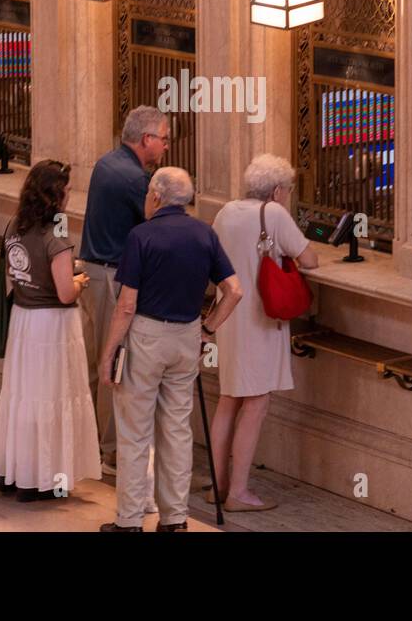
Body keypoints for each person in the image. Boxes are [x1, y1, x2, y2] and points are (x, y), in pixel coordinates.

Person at [98, 167, 243, 533]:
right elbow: (235, 290)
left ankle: (129, 520)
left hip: (147, 335)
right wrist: (208, 328)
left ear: (157, 196)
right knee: (177, 430)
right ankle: (174, 519)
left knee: (134, 431)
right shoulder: (204, 233)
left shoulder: (141, 236)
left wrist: (108, 352)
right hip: (187, 336)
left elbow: (126, 305)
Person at [208, 155, 319, 512]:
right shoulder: (272, 213)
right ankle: (239, 493)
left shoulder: (225, 211)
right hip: (259, 318)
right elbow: (310, 259)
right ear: (276, 190)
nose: (287, 196)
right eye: (287, 190)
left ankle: (218, 485)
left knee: (229, 399)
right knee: (256, 402)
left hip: (227, 315)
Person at [0, 160, 101, 503]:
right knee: (54, 398)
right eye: (66, 190)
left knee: (22, 397)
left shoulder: (14, 225)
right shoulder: (57, 235)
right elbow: (65, 292)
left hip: (23, 320)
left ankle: (14, 472)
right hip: (53, 327)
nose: (69, 196)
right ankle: (46, 478)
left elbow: (17, 270)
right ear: (55, 195)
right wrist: (81, 281)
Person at [78, 105, 169, 473]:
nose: (165, 146)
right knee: (115, 363)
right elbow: (158, 222)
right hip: (113, 280)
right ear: (146, 139)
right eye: (163, 139)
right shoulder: (135, 179)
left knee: (98, 360)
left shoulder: (105, 162)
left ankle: (90, 439)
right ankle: (112, 449)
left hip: (94, 275)